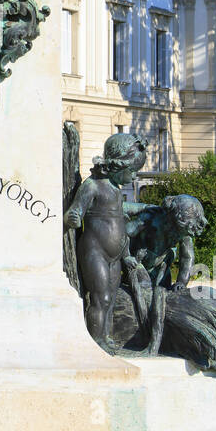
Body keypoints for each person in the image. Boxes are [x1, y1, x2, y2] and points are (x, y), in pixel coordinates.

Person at [63, 133, 149, 351]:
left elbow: (120, 223)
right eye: (132, 171)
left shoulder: (116, 191)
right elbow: (74, 211)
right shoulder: (92, 186)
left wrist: (127, 254)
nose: (134, 177)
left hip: (116, 256)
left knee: (110, 301)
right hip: (95, 252)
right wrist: (73, 217)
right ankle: (95, 341)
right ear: (118, 165)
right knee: (101, 297)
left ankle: (106, 336)